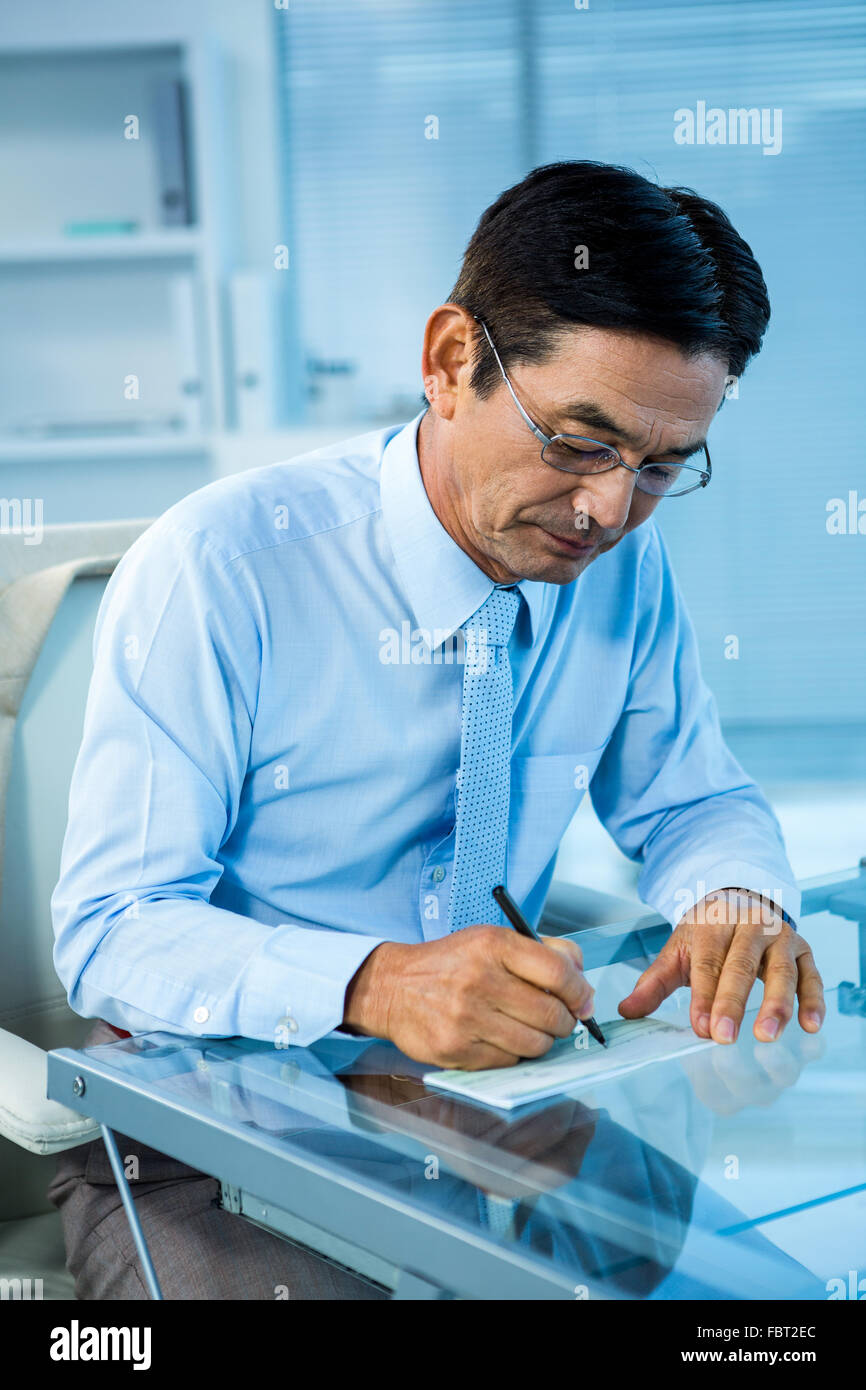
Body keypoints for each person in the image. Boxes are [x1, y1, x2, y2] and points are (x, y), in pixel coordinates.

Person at [49, 161, 823, 1299]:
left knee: (773, 1307)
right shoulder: (219, 569)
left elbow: (690, 798)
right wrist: (372, 983)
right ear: (452, 360)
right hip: (203, 1143)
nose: (608, 511)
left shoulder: (619, 566)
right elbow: (110, 930)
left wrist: (734, 894)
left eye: (660, 467)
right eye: (578, 441)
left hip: (503, 1114)